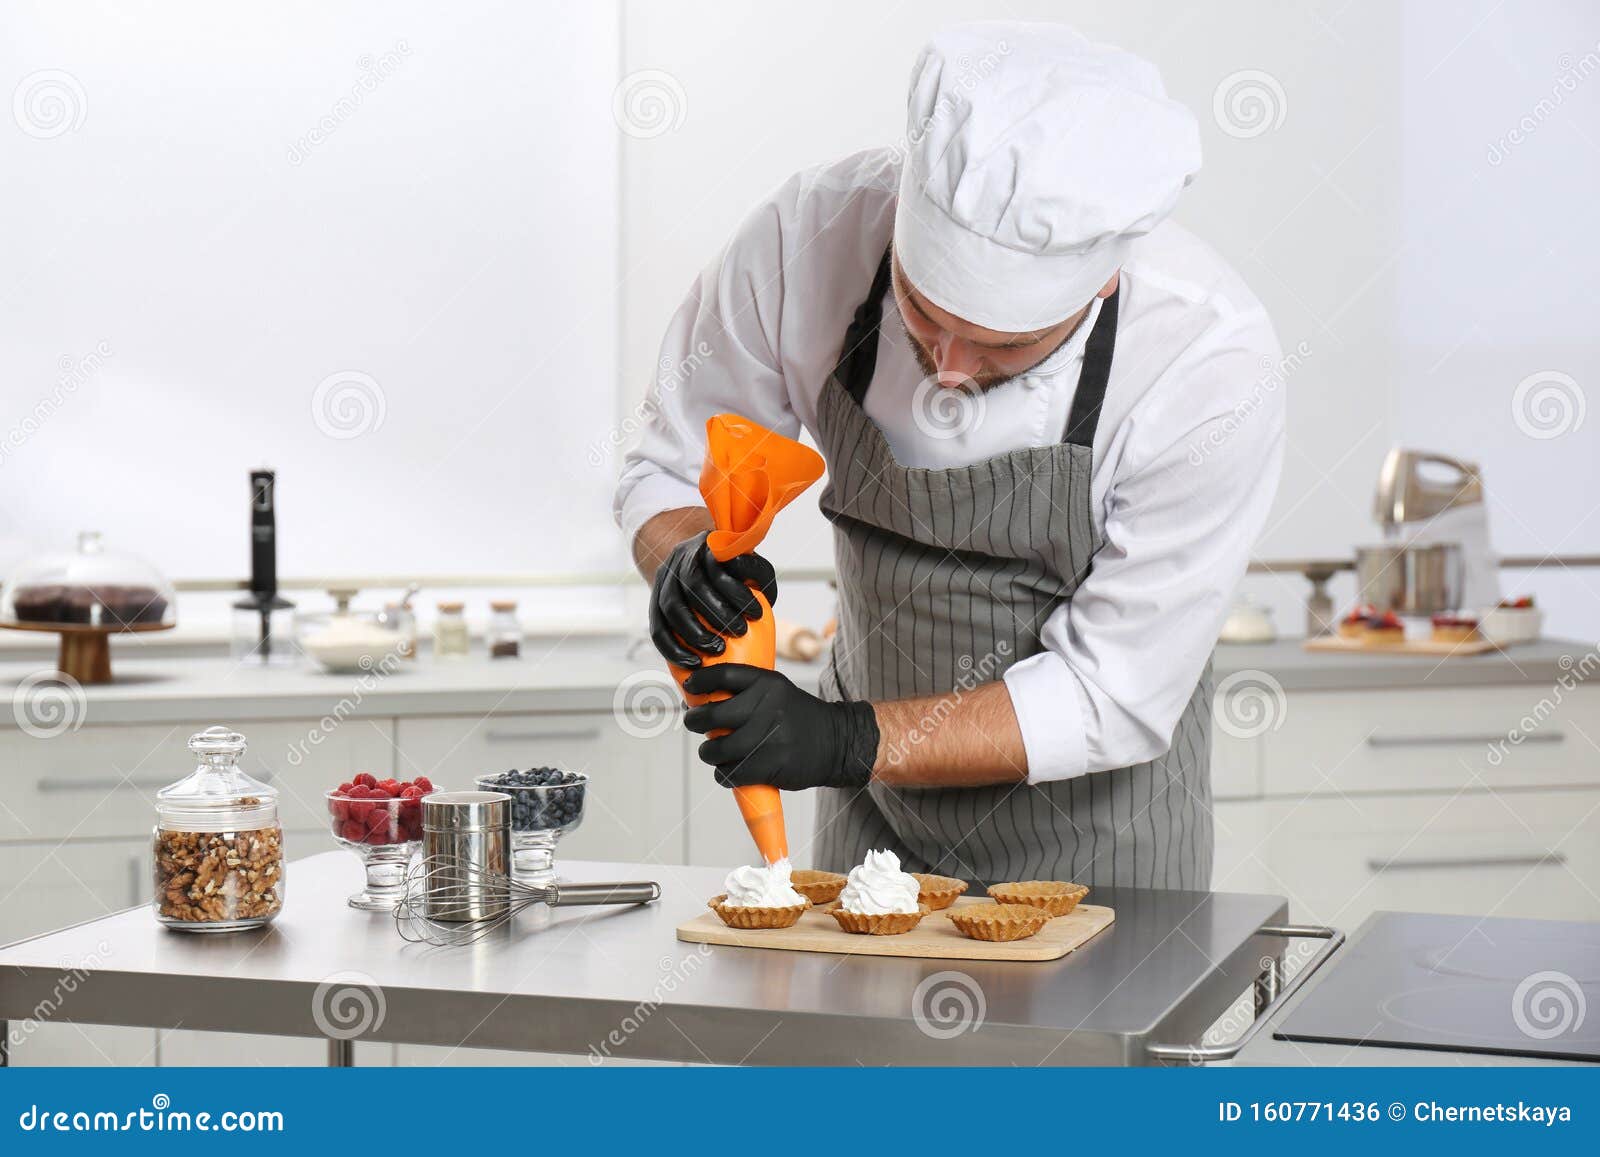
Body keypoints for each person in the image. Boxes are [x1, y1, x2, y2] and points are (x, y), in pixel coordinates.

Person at [615, 21, 1284, 888]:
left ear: (1103, 281)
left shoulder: (1207, 359)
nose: (953, 368)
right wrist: (679, 559)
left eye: (1006, 343)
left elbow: (1110, 693)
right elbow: (669, 467)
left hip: (1099, 848)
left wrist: (845, 737)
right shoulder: (808, 238)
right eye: (923, 311)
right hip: (872, 829)